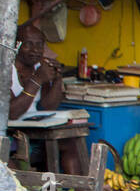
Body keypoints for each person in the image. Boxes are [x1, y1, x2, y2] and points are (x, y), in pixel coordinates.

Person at [9, 23, 87, 175]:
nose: (36, 50)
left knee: (69, 143)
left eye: (40, 45)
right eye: (29, 44)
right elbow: (12, 112)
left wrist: (57, 79)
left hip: (33, 129)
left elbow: (48, 107)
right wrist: (37, 80)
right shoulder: (6, 68)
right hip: (10, 131)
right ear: (16, 45)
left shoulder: (39, 67)